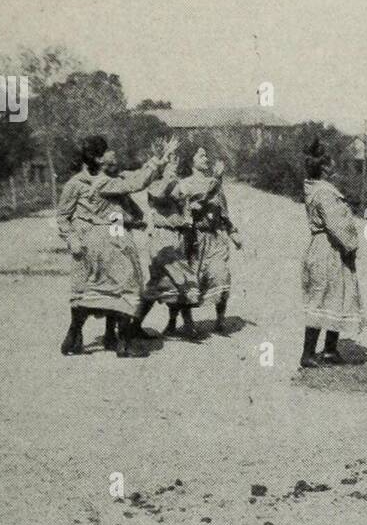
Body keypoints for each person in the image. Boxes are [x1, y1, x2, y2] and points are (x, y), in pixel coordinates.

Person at [57, 135, 176, 358]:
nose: (112, 154)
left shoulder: (97, 180)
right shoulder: (94, 182)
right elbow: (136, 183)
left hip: (100, 234)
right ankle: (121, 343)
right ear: (98, 159)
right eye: (107, 151)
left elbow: (119, 204)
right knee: (125, 284)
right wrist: (158, 160)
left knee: (99, 286)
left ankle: (91, 337)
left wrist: (130, 220)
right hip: (99, 238)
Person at [300, 138, 365, 368]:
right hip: (329, 248)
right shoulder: (325, 192)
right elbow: (336, 224)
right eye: (332, 165)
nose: (335, 169)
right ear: (325, 168)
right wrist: (351, 245)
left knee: (337, 296)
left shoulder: (314, 188)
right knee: (322, 297)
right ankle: (308, 354)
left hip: (325, 247)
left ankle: (329, 349)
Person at [139, 142, 205, 339]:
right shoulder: (154, 180)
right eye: (171, 157)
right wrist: (168, 170)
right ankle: (134, 324)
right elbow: (160, 194)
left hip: (177, 235)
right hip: (162, 236)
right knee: (178, 278)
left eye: (176, 157)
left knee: (166, 283)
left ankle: (178, 324)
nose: (174, 160)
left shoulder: (174, 180)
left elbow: (184, 201)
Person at [174, 145, 242, 336]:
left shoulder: (216, 185)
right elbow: (195, 206)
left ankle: (220, 320)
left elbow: (223, 213)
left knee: (221, 273)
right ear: (191, 161)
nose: (206, 158)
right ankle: (188, 322)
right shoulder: (185, 184)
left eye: (206, 155)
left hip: (215, 239)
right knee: (190, 280)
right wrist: (216, 181)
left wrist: (232, 232)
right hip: (194, 238)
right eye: (201, 155)